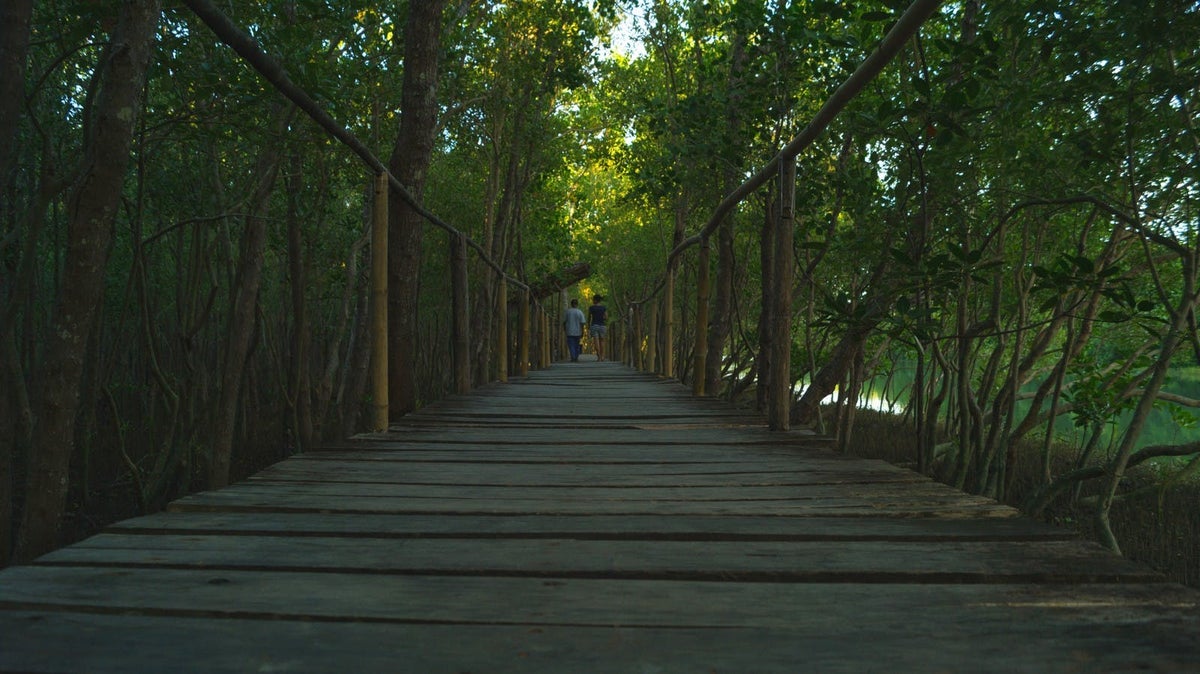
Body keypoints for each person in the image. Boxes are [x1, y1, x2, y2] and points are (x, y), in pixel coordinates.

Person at [588, 294, 607, 362]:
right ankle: (602, 356)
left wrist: (588, 325)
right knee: (602, 341)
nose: (592, 301)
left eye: (593, 299)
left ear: (595, 300)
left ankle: (598, 357)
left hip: (594, 325)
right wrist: (602, 318)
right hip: (602, 325)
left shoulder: (591, 308)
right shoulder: (603, 307)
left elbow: (589, 317)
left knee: (596, 341)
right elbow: (606, 317)